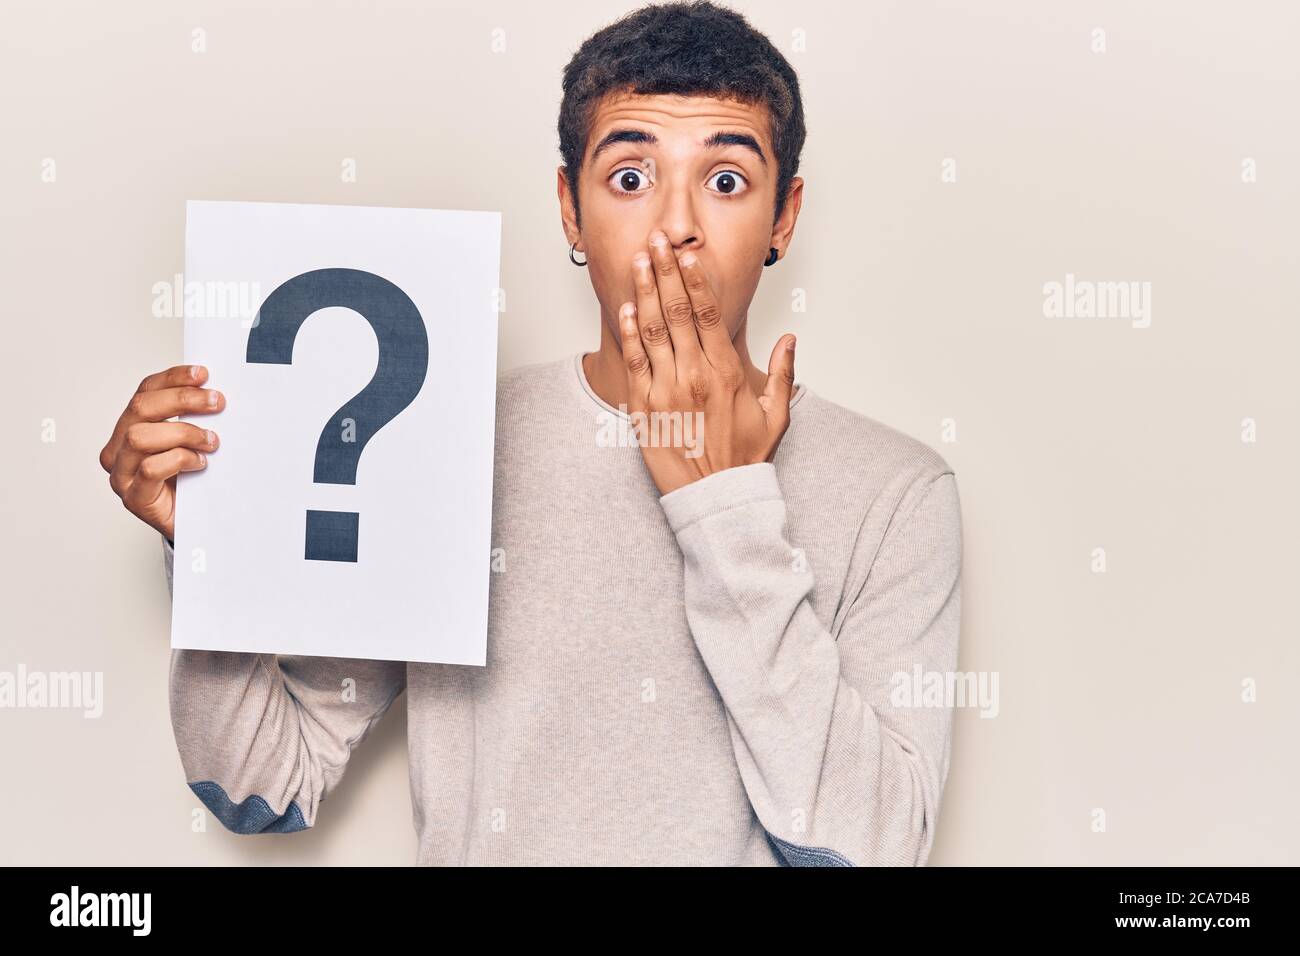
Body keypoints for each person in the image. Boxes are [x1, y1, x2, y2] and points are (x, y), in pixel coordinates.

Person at [99, 0, 962, 866]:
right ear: (569, 210)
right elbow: (259, 790)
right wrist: (216, 546)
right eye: (630, 177)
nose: (676, 225)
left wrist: (723, 503)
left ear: (784, 217)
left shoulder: (896, 493)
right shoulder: (450, 438)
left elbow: (876, 850)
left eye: (726, 180)